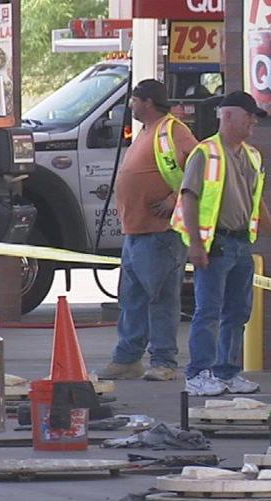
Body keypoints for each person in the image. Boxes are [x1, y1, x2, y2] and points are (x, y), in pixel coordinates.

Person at [174, 91, 271, 397]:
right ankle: (198, 373)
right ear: (229, 116)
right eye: (249, 117)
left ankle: (227, 371)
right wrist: (196, 244)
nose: (253, 124)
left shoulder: (252, 155)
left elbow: (257, 202)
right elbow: (188, 197)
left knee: (237, 312)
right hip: (215, 244)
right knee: (208, 311)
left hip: (240, 245)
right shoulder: (205, 153)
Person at [98, 79, 199, 383]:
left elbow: (201, 165)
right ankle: (128, 358)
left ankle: (164, 360)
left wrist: (174, 200)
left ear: (148, 102)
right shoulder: (146, 132)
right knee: (132, 298)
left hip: (160, 232)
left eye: (134, 100)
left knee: (161, 297)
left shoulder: (173, 130)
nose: (131, 105)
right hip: (137, 232)